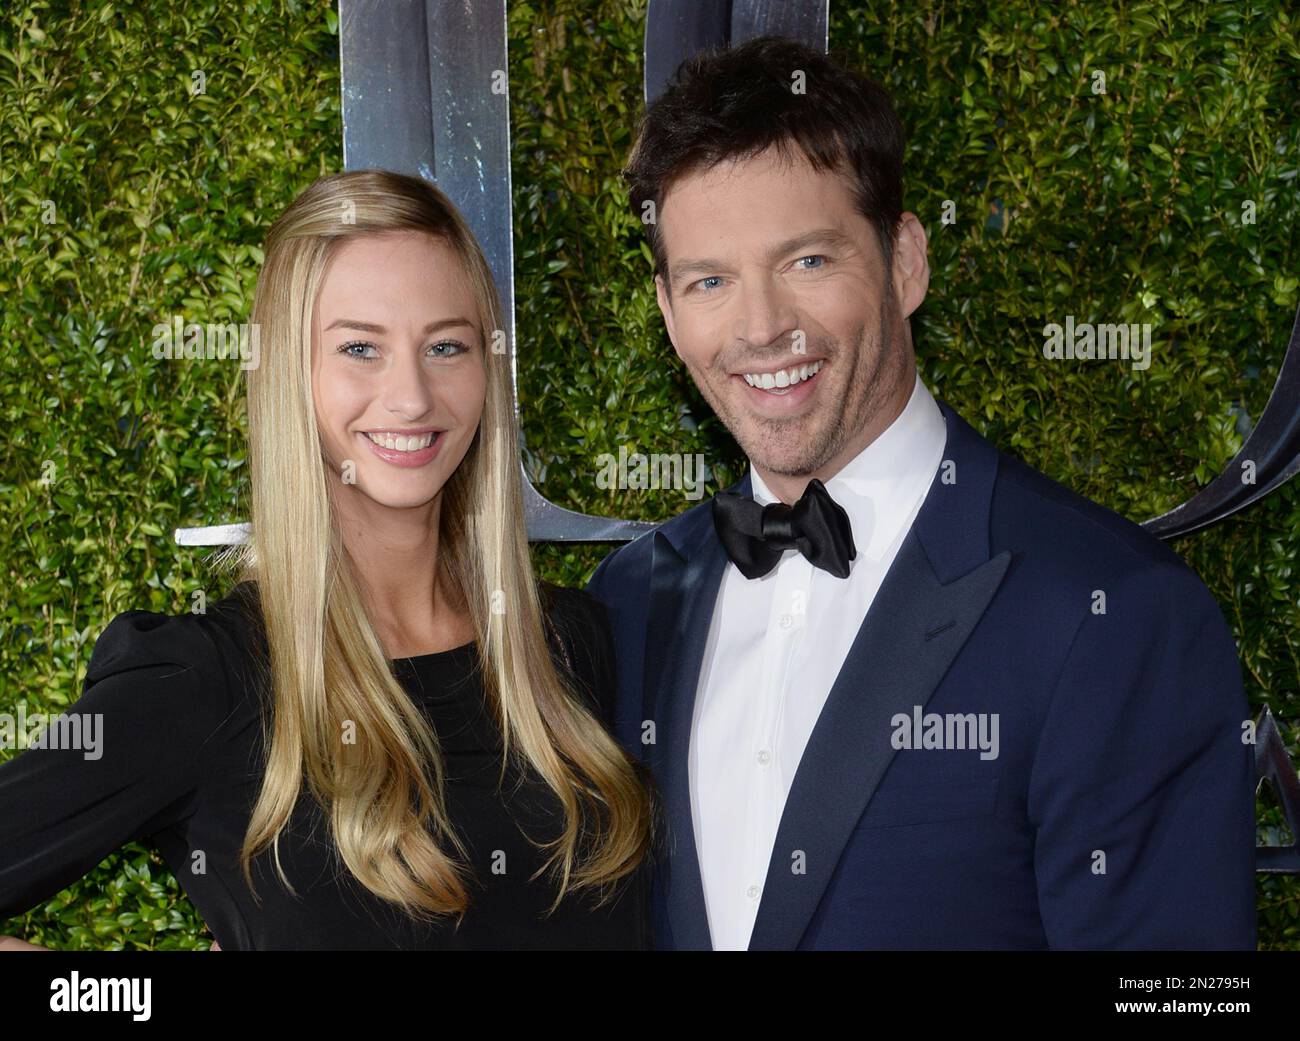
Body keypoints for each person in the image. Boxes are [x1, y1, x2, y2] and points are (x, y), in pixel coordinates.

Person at [585, 36, 1256, 950]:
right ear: (668, 313)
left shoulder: (1114, 614)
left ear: (905, 263)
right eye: (710, 280)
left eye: (808, 262)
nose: (762, 326)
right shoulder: (626, 604)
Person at [0, 169, 656, 951]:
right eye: (359, 348)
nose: (411, 395)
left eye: (446, 345)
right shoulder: (209, 681)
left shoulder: (571, 644)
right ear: (288, 374)